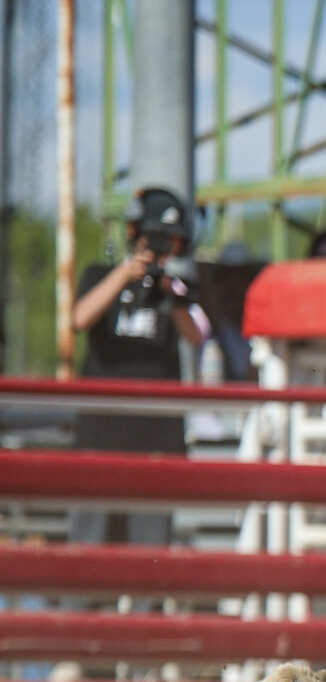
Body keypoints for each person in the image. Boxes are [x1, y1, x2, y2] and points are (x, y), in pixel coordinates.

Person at [68, 187, 205, 542]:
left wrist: (168, 292)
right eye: (152, 239)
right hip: (99, 437)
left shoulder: (176, 289)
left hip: (155, 441)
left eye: (169, 243)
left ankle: (146, 600)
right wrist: (125, 275)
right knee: (90, 546)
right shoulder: (101, 275)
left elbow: (196, 334)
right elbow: (79, 319)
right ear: (133, 234)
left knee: (149, 551)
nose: (159, 250)